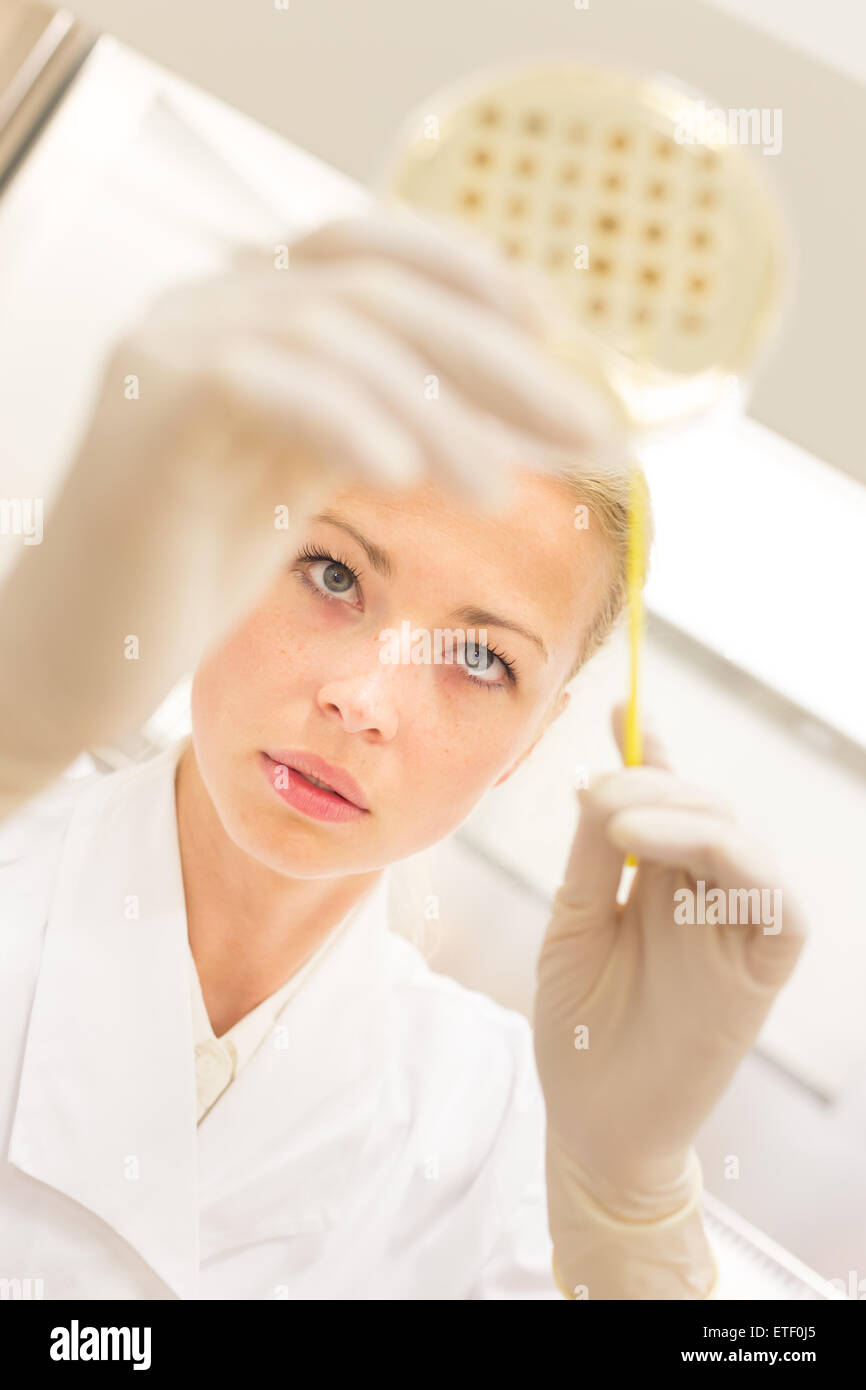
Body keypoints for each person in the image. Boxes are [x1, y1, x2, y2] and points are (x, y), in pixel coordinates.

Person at [0, 210, 806, 1299]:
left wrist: (630, 1220)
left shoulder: (500, 1128)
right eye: (330, 572)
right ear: (224, 545)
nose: (363, 700)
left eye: (477, 658)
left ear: (531, 737)